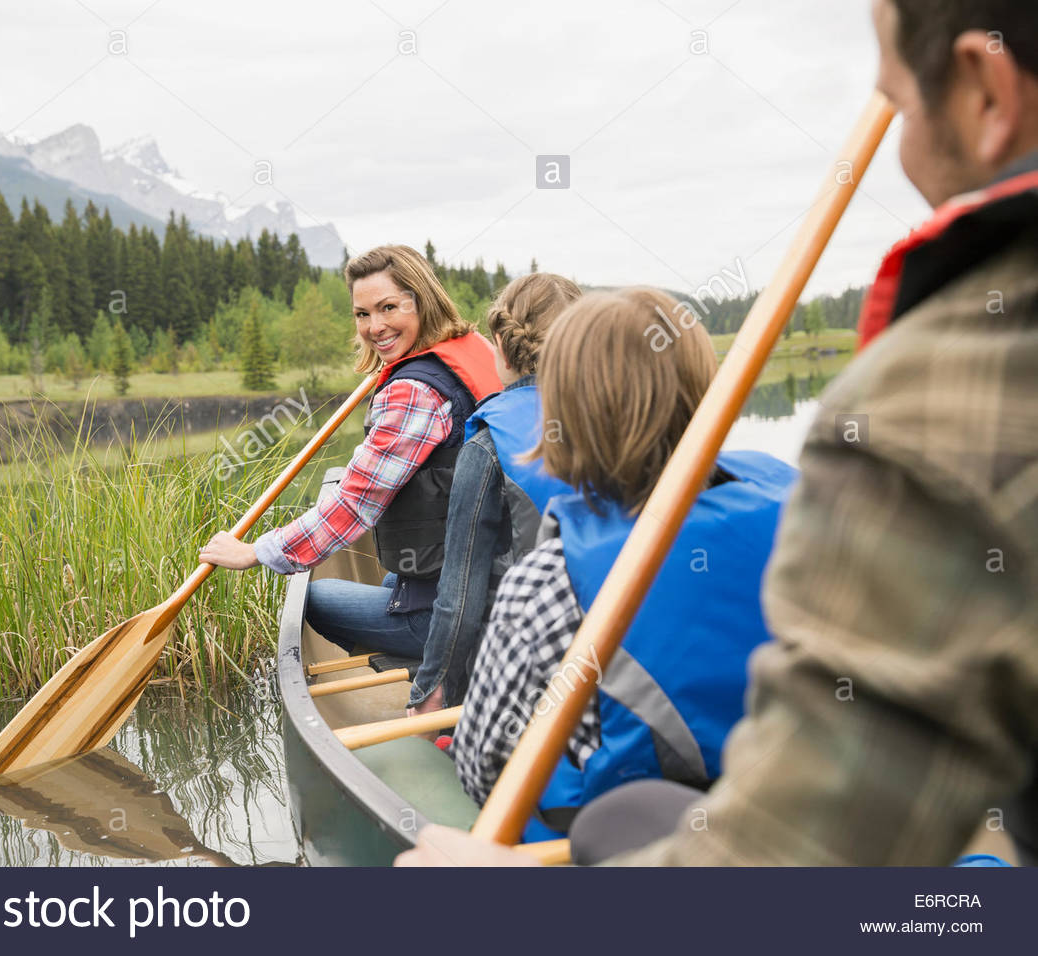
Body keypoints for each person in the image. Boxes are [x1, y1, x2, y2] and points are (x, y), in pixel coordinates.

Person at [397, 0, 1038, 867]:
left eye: (902, 104)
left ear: (988, 94)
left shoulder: (955, 393)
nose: (904, 154)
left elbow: (482, 748)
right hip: (805, 795)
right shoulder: (782, 486)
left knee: (615, 821)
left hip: (687, 827)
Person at [451, 288, 798, 842]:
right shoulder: (806, 508)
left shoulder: (548, 581)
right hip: (809, 813)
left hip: (643, 843)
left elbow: (482, 765)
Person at [199, 245, 502, 659]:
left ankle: (437, 667)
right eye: (363, 314)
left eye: (389, 307)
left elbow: (356, 503)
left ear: (422, 301)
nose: (374, 327)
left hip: (459, 610)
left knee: (316, 598)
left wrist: (256, 552)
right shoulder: (472, 348)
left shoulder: (413, 391)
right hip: (496, 581)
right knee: (392, 583)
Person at [408, 273, 582, 717]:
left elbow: (459, 596)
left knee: (331, 600)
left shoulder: (488, 442)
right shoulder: (623, 417)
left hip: (523, 656)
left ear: (501, 346)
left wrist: (430, 690)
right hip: (606, 638)